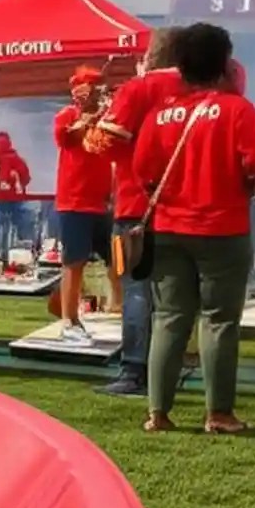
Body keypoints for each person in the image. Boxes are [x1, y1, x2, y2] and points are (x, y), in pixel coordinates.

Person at [134, 22, 255, 434]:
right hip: (223, 228)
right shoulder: (239, 111)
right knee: (219, 320)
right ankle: (218, 413)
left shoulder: (160, 114)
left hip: (169, 227)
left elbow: (143, 172)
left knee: (169, 318)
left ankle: (158, 413)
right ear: (224, 63)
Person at [87, 26, 187, 398]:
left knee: (135, 289)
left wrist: (94, 131)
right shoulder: (204, 91)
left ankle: (134, 370)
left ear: (153, 55)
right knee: (176, 296)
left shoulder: (139, 89)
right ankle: (168, 367)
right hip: (185, 210)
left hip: (134, 208)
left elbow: (104, 141)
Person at [52, 67, 115, 345]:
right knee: (74, 262)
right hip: (74, 201)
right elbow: (66, 137)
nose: (99, 92)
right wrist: (91, 115)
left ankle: (118, 306)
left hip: (102, 202)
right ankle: (69, 320)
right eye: (93, 87)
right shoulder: (66, 115)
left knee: (118, 258)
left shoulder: (107, 115)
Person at [0, 131, 32, 260]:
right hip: (11, 199)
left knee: (1, 225)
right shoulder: (16, 159)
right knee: (10, 227)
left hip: (4, 200)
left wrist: (7, 182)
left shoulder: (5, 160)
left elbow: (3, 179)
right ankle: (8, 254)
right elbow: (26, 178)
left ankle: (0, 253)